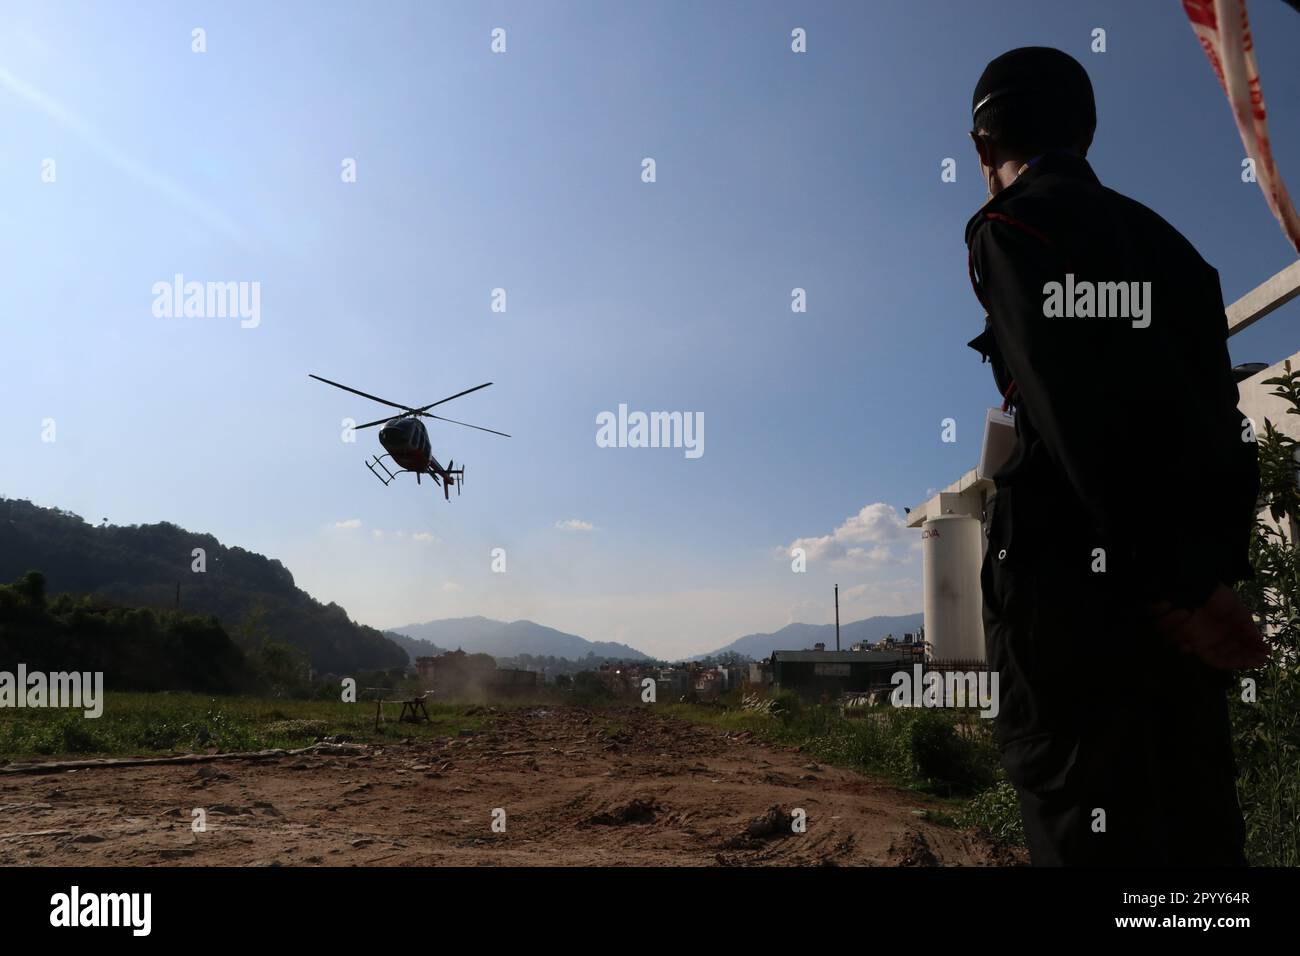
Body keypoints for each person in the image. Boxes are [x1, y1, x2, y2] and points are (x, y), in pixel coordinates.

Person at [964, 47, 1268, 865]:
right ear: (1088, 135)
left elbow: (1076, 418)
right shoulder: (1174, 248)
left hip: (1077, 610)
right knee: (1193, 828)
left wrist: (1176, 588)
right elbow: (1218, 419)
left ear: (982, 146)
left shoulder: (1011, 226)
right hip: (1180, 616)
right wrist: (1205, 585)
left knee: (1084, 826)